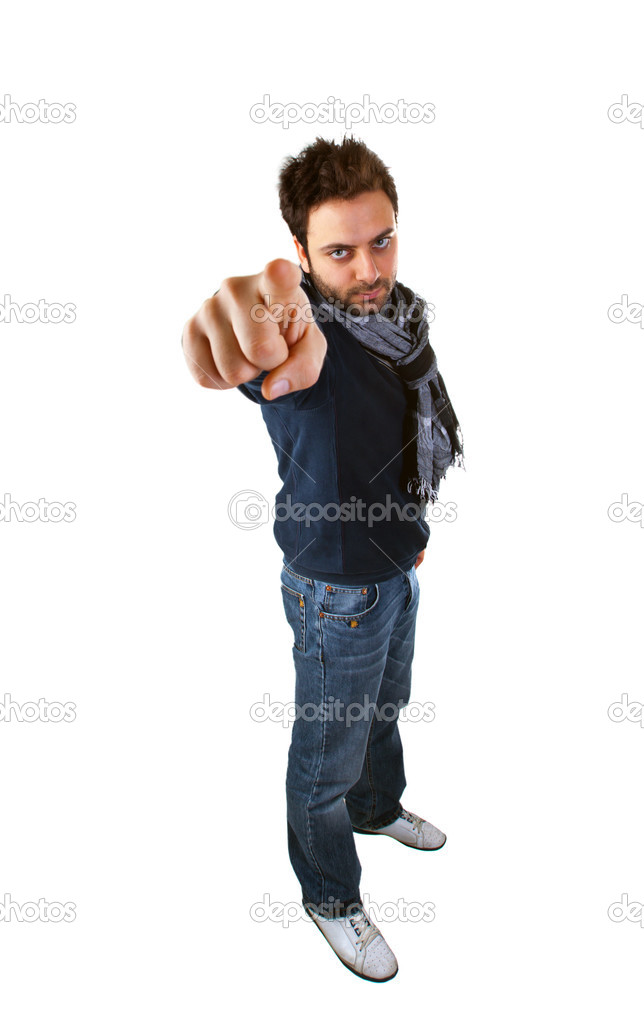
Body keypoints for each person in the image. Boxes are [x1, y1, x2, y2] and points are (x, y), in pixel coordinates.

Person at [181, 135, 464, 982]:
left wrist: (411, 535)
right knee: (325, 754)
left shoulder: (399, 318)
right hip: (334, 586)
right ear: (300, 254)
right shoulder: (301, 337)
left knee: (386, 708)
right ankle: (330, 895)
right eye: (339, 251)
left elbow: (409, 434)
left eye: (381, 240)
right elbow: (244, 344)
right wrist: (234, 326)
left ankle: (378, 808)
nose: (368, 267)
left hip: (397, 563)